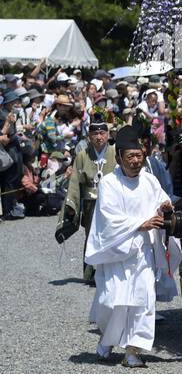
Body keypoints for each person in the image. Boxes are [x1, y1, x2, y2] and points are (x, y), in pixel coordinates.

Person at [83, 126, 174, 368]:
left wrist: (164, 207)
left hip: (142, 253)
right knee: (113, 301)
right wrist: (140, 223)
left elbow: (160, 200)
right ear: (120, 157)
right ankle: (108, 339)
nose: (135, 161)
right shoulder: (110, 183)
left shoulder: (149, 180)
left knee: (143, 301)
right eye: (130, 157)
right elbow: (108, 218)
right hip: (117, 253)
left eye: (139, 156)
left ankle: (133, 351)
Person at [58, 116, 116, 283]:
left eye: (102, 133)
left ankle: (110, 270)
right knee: (92, 235)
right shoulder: (83, 155)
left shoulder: (115, 151)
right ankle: (91, 273)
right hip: (91, 202)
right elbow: (75, 181)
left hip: (111, 201)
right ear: (89, 136)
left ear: (108, 134)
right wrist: (71, 204)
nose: (99, 137)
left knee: (111, 234)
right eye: (95, 134)